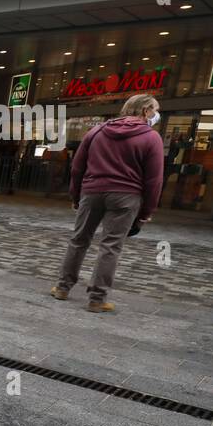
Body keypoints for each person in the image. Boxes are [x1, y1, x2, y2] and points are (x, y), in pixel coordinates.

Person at [53, 94, 164, 314]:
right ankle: (97, 299)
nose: (155, 115)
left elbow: (77, 168)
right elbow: (154, 180)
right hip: (126, 196)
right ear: (145, 111)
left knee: (79, 239)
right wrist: (146, 211)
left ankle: (62, 288)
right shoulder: (151, 138)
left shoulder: (96, 132)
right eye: (154, 110)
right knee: (111, 246)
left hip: (92, 192)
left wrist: (76, 196)